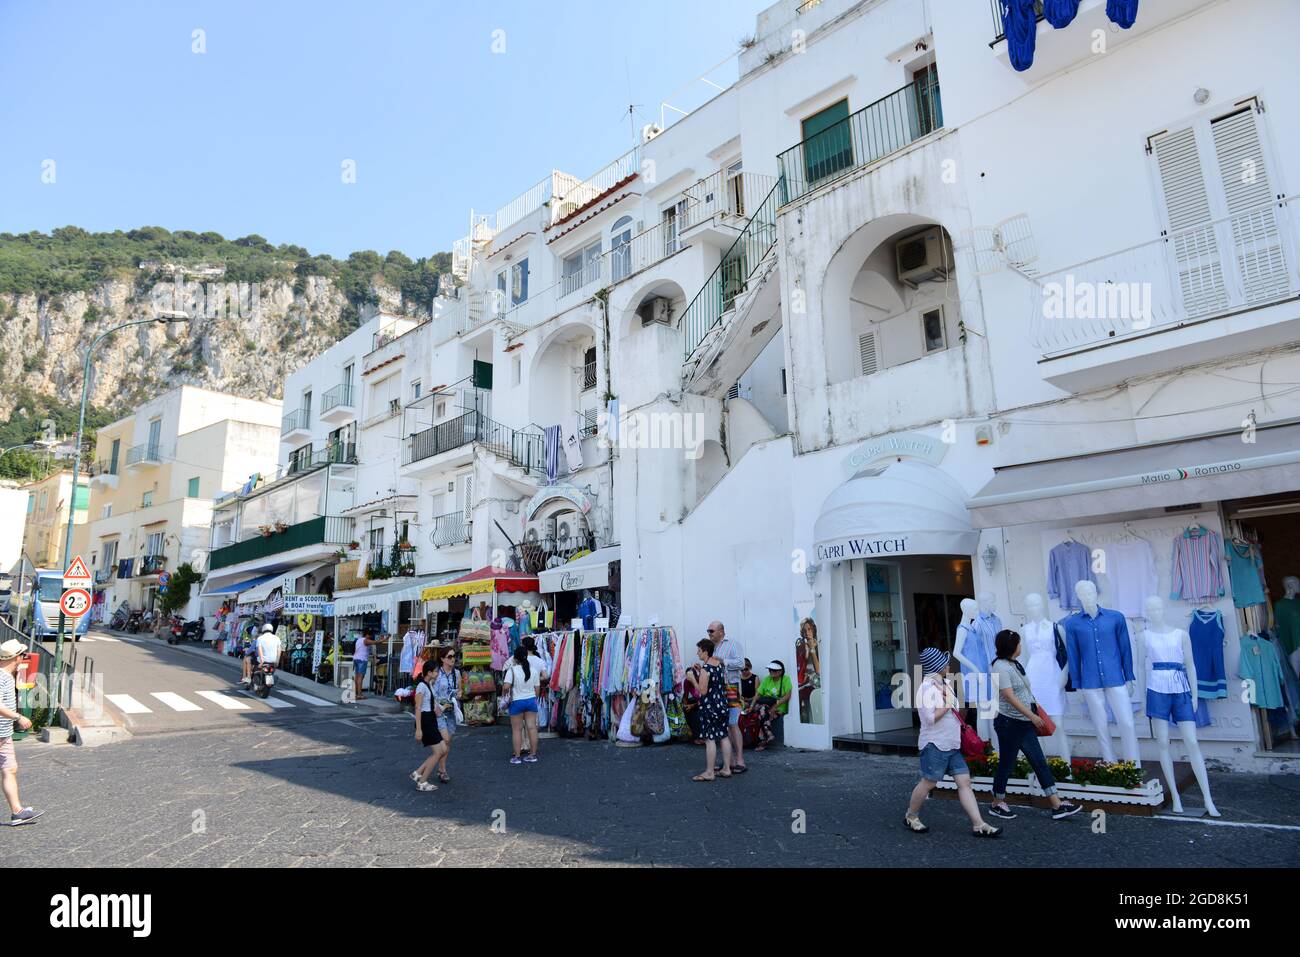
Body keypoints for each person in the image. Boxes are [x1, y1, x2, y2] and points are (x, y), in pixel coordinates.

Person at [988, 630, 1083, 822]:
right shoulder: (1000, 667)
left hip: (1023, 722)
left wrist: (1036, 707)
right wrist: (1032, 715)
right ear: (1011, 646)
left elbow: (1024, 690)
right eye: (1018, 643)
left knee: (1039, 761)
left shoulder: (1013, 664)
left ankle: (1056, 804)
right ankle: (997, 802)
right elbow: (1009, 696)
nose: (1021, 646)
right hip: (1009, 723)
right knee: (1007, 763)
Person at [904, 647, 1000, 837]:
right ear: (936, 667)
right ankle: (911, 816)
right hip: (934, 745)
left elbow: (953, 710)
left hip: (953, 744)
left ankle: (978, 824)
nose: (948, 665)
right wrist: (947, 706)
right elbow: (928, 719)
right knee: (928, 783)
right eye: (944, 663)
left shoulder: (946, 684)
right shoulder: (925, 689)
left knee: (964, 782)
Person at [0, 640, 43, 825]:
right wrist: (19, 717)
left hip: (4, 734)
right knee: (9, 769)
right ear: (15, 657)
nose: (24, 659)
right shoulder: (1, 677)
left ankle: (17, 812)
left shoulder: (8, 676)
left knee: (10, 769)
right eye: (22, 656)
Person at [684, 638, 733, 781]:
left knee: (710, 739)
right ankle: (727, 769)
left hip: (709, 707)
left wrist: (693, 679)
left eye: (699, 650)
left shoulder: (706, 669)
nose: (697, 653)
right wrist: (701, 672)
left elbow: (702, 691)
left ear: (705, 651)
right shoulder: (718, 665)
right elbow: (715, 683)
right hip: (722, 704)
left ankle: (710, 772)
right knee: (723, 736)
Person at [708, 621, 747, 773]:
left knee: (732, 723)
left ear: (721, 631)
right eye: (708, 631)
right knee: (723, 725)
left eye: (711, 630)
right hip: (717, 689)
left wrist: (723, 661)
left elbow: (741, 663)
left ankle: (740, 760)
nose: (709, 633)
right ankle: (728, 761)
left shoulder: (732, 644)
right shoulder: (711, 647)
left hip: (731, 687)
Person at [502, 645, 548, 765]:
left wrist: (505, 693)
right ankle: (532, 755)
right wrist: (533, 697)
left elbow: (506, 686)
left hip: (517, 702)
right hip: (531, 701)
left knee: (517, 730)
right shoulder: (533, 671)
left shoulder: (512, 670)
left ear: (515, 658)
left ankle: (517, 757)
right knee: (532, 728)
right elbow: (537, 689)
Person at [411, 661, 448, 791]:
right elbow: (418, 708)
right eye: (436, 671)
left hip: (431, 719)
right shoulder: (422, 686)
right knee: (438, 752)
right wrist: (419, 729)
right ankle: (422, 781)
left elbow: (432, 705)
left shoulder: (429, 685)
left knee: (443, 750)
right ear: (429, 673)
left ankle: (418, 773)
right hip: (425, 720)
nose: (437, 673)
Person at [430, 648, 459, 783]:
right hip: (439, 711)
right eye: (450, 656)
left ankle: (441, 768)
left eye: (454, 656)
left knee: (448, 742)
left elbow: (459, 689)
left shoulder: (456, 673)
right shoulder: (437, 674)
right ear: (442, 659)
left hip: (451, 712)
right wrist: (437, 706)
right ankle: (442, 770)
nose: (452, 659)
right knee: (445, 740)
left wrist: (459, 694)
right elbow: (431, 691)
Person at [754, 660, 794, 750]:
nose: (771, 672)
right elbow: (758, 694)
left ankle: (763, 740)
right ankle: (768, 734)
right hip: (766, 706)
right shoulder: (767, 679)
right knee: (761, 710)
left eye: (774, 670)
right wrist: (751, 706)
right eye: (770, 670)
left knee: (762, 712)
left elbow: (788, 695)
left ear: (780, 671)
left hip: (779, 707)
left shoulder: (786, 679)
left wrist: (774, 707)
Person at [352, 630, 379, 700]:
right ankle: (359, 695)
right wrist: (385, 639)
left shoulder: (358, 640)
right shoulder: (365, 640)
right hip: (362, 660)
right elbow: (375, 642)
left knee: (357, 677)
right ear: (367, 635)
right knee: (360, 677)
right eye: (369, 636)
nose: (370, 637)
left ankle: (355, 694)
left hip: (356, 659)